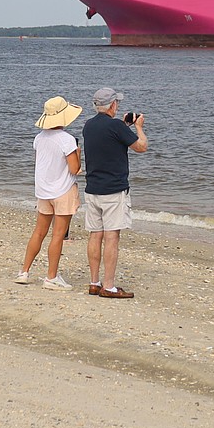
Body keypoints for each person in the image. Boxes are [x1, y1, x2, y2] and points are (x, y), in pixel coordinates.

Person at [80, 86, 147, 299]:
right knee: (111, 237)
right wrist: (138, 127)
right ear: (113, 105)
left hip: (93, 188)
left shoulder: (88, 125)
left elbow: (108, 137)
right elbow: (141, 147)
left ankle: (94, 282)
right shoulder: (116, 126)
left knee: (95, 234)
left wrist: (124, 126)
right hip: (113, 189)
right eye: (116, 102)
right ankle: (108, 286)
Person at [18, 96, 82, 290]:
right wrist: (78, 153)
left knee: (39, 232)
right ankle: (51, 277)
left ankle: (24, 272)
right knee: (58, 235)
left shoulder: (39, 138)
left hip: (44, 191)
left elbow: (43, 162)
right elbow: (74, 169)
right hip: (63, 191)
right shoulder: (67, 139)